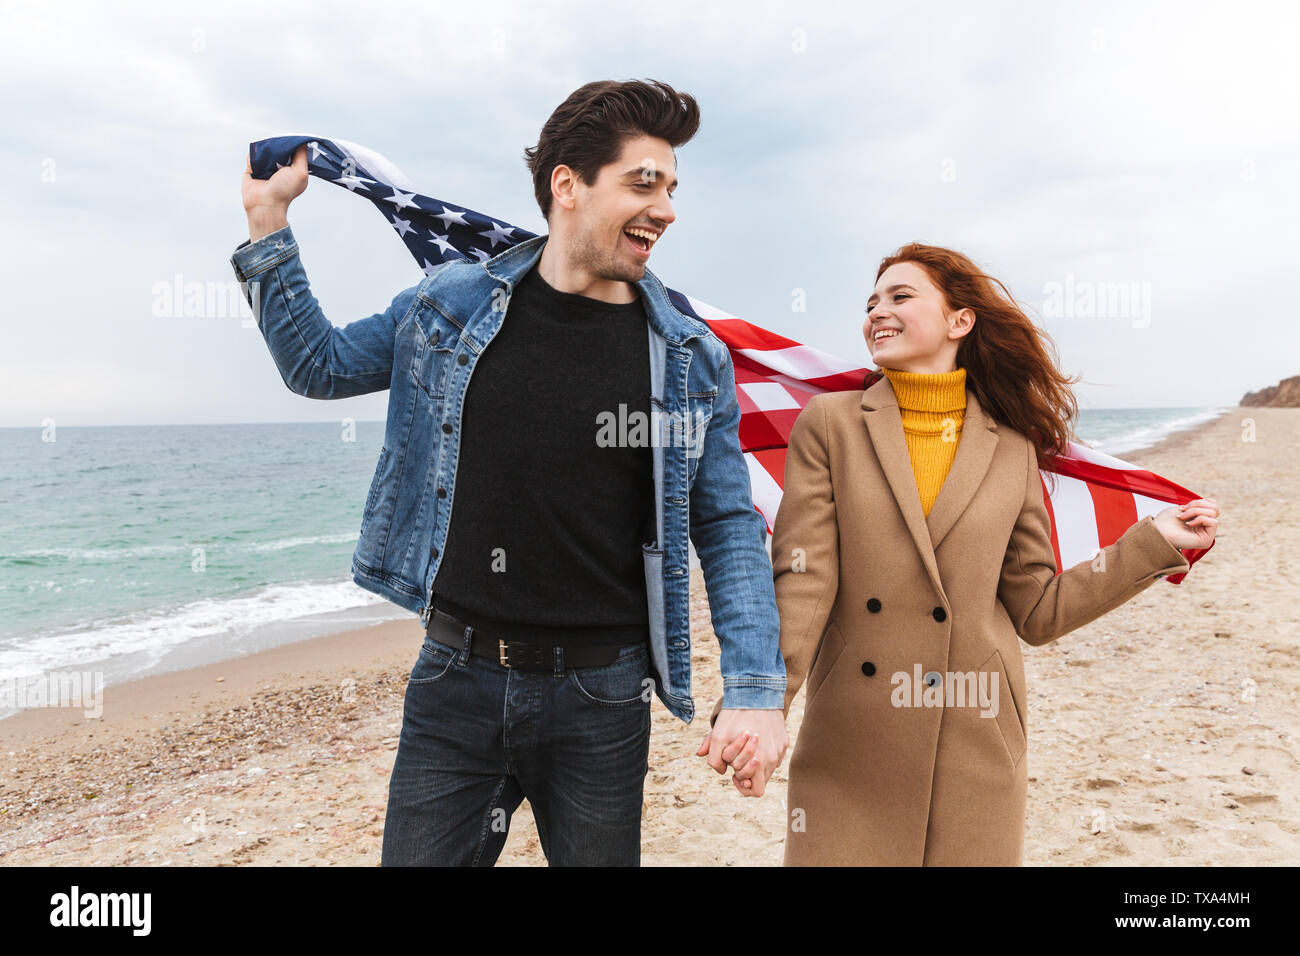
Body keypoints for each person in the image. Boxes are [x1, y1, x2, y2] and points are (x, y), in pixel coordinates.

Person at [230, 79, 789, 867]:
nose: (665, 208)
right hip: (453, 683)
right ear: (568, 185)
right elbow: (317, 367)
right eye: (643, 182)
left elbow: (728, 526)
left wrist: (758, 691)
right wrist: (268, 222)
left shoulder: (692, 358)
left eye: (670, 187)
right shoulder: (449, 305)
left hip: (604, 697)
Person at [760, 242, 1219, 865]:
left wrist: (1153, 543)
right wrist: (763, 703)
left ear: (960, 321)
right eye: (871, 303)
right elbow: (804, 579)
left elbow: (1037, 609)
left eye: (900, 297)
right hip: (854, 735)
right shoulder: (831, 423)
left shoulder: (1010, 445)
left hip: (974, 735)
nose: (877, 312)